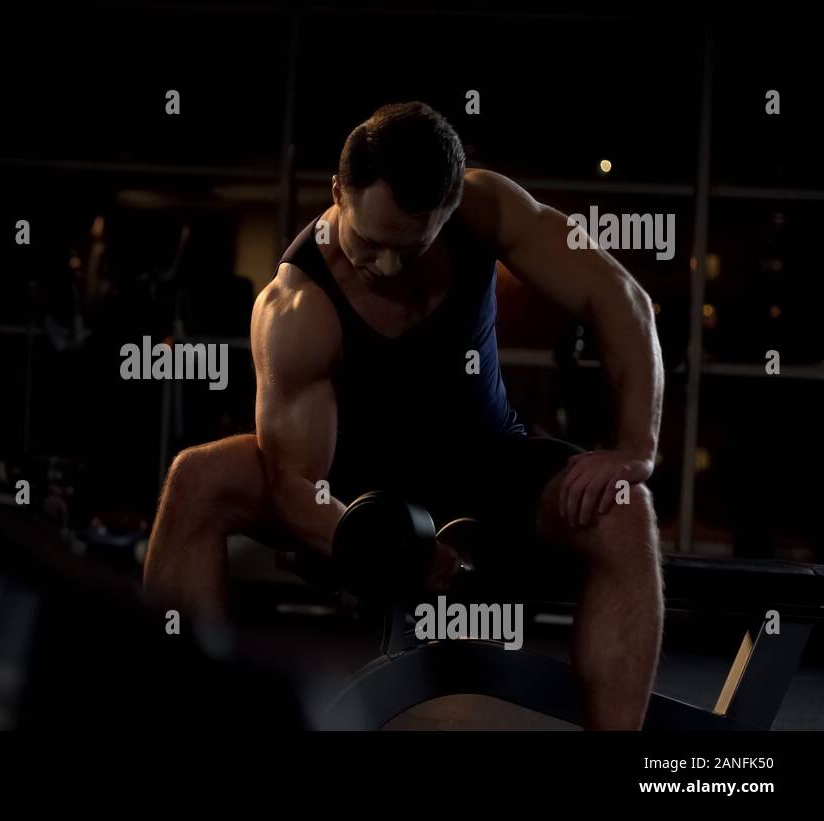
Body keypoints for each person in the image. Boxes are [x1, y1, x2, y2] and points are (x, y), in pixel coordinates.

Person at [142, 101, 664, 730]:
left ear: (448, 209)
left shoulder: (484, 206)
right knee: (197, 479)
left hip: (488, 463)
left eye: (411, 247)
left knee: (626, 510)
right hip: (354, 492)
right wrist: (391, 550)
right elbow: (295, 485)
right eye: (370, 242)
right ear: (338, 192)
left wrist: (635, 447)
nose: (386, 267)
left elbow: (621, 299)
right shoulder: (297, 306)